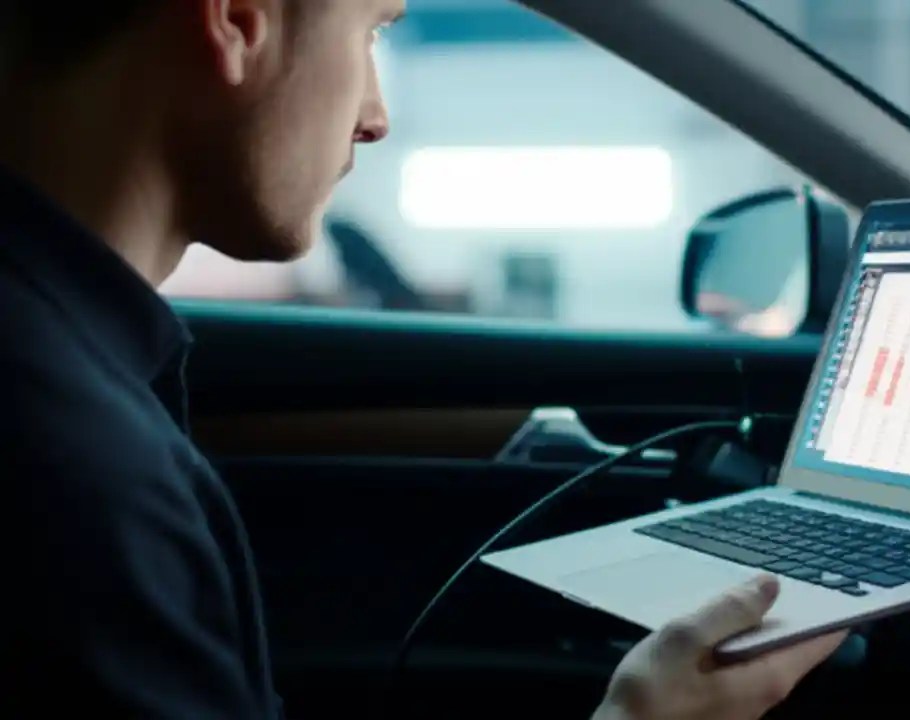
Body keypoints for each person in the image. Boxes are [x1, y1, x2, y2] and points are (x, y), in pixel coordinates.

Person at [0, 1, 848, 718]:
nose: (376, 114)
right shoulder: (83, 481)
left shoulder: (70, 379)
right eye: (369, 29)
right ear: (236, 20)